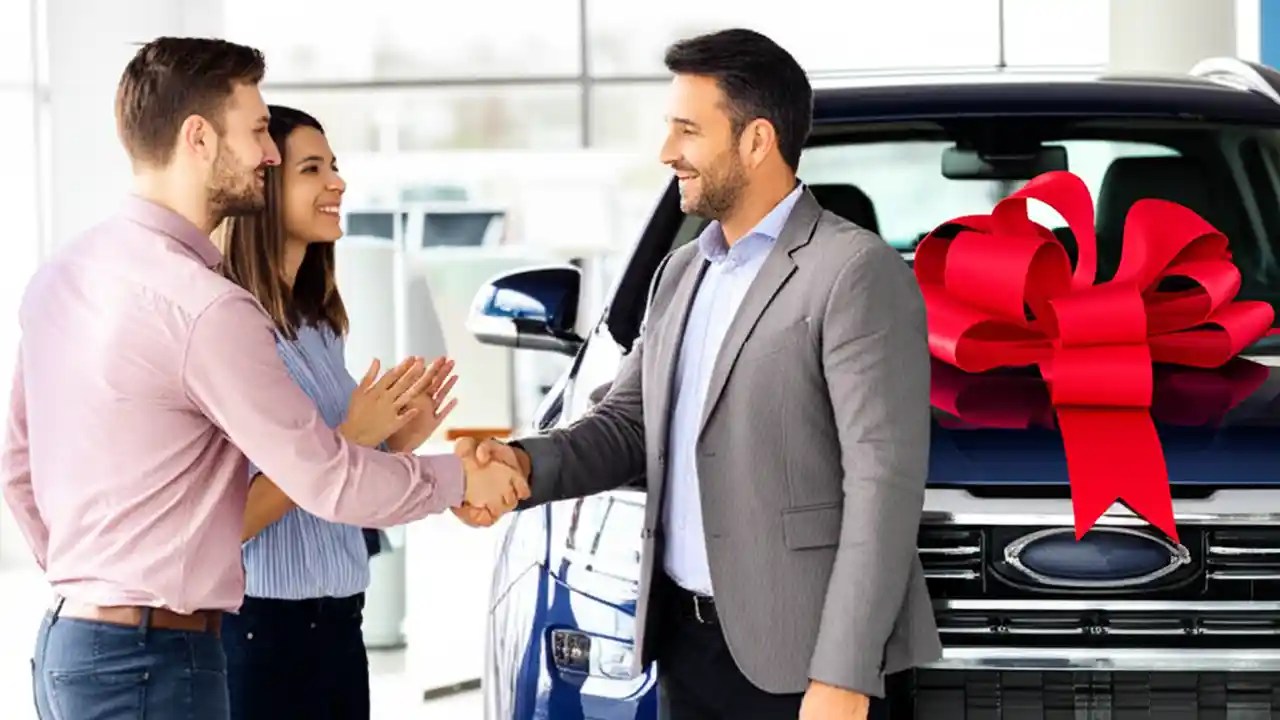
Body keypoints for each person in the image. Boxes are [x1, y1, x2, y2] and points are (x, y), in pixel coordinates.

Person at [0, 37, 522, 720]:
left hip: (76, 645)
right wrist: (460, 477)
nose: (268, 154)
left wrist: (95, 590)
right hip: (155, 662)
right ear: (198, 138)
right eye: (256, 132)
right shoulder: (205, 306)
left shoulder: (64, 275)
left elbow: (17, 466)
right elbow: (327, 478)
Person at [455, 28, 941, 720]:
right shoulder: (682, 271)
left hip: (801, 667)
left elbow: (882, 487)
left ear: (756, 141)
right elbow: (626, 426)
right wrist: (518, 466)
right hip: (686, 648)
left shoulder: (854, 271)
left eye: (688, 130)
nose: (666, 153)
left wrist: (845, 673)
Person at [215, 104, 457, 720]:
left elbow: (335, 478)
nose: (337, 183)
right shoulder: (228, 330)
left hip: (339, 621)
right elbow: (227, 519)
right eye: (312, 169)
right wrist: (351, 436)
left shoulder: (318, 327)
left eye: (335, 166)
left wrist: (393, 442)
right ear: (262, 185)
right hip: (259, 632)